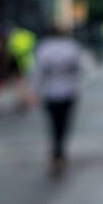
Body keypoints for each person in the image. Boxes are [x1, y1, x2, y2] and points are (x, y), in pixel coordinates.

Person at [31, 25, 83, 176]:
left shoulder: (43, 48)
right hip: (68, 91)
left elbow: (37, 72)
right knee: (64, 123)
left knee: (54, 124)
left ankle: (56, 151)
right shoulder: (72, 47)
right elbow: (80, 69)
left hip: (50, 92)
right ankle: (60, 151)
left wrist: (33, 91)